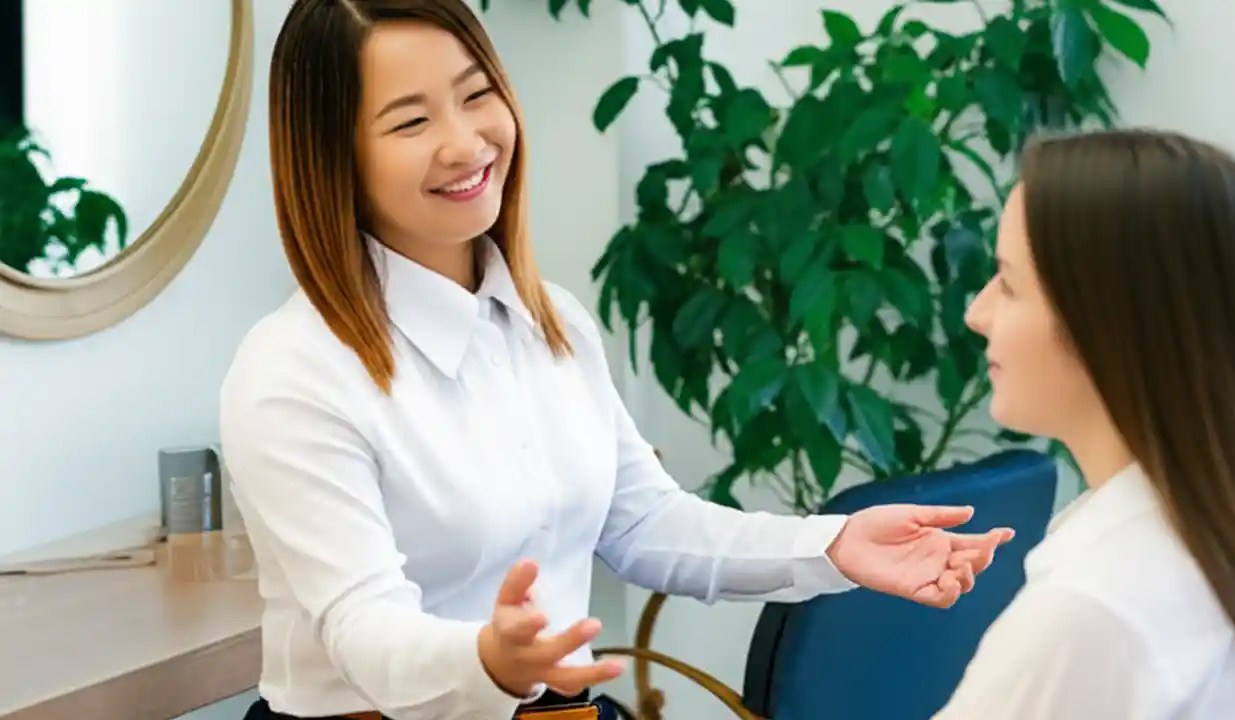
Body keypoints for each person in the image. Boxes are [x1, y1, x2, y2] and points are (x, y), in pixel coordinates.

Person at [220, 1, 1013, 719]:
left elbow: (643, 524)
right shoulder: (292, 373)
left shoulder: (551, 320)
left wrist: (831, 546)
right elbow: (361, 628)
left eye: (475, 95)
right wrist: (488, 663)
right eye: (409, 122)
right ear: (334, 158)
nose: (466, 143)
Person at [933, 129, 1235, 719]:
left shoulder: (1094, 614)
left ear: (1109, 326)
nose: (976, 313)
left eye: (1010, 285)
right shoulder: (1232, 529)